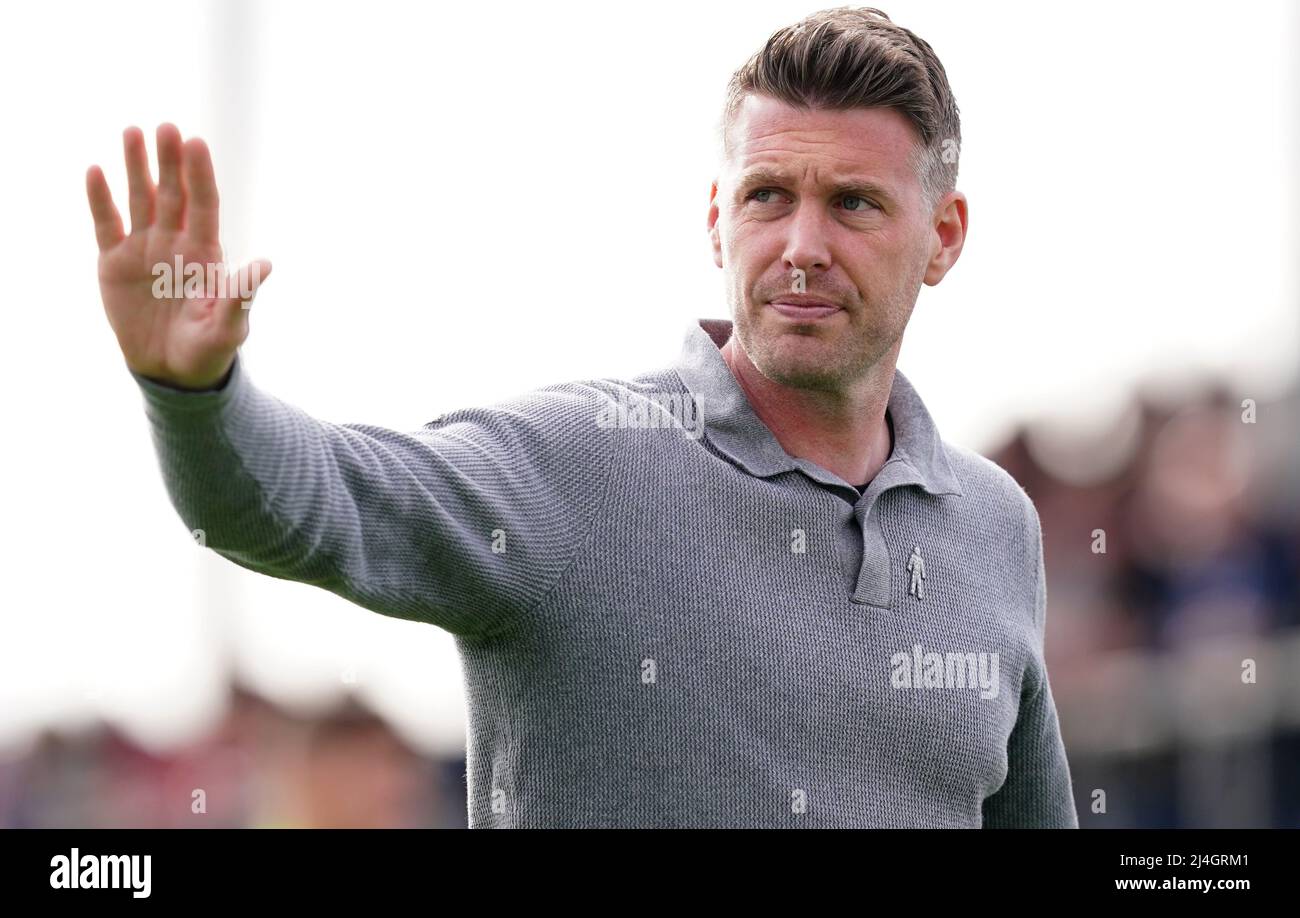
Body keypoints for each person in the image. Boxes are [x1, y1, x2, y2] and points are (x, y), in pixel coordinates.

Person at [86, 6, 1077, 828]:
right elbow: (310, 505)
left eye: (853, 204)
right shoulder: (578, 468)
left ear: (942, 236)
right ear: (715, 221)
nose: (801, 244)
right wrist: (195, 397)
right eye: (767, 196)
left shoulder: (993, 525)